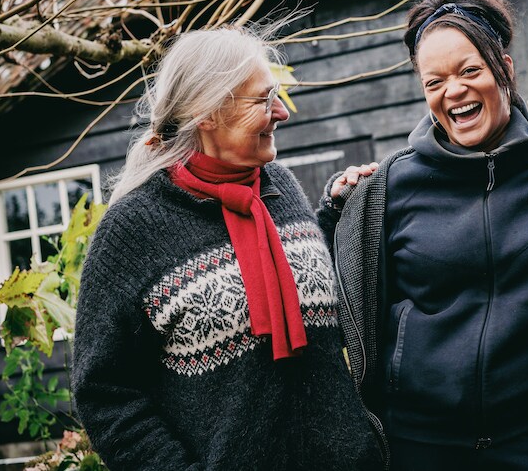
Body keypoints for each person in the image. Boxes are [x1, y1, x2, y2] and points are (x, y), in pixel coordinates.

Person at [320, 0, 528, 470]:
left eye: (469, 70)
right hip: (421, 446)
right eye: (434, 82)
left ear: (505, 67)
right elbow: (332, 290)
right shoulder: (390, 187)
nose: (453, 92)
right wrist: (336, 210)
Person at [71, 27, 382, 470]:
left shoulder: (282, 189)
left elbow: (303, 296)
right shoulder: (132, 230)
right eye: (262, 100)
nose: (281, 112)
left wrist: (337, 216)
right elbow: (104, 392)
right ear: (207, 112)